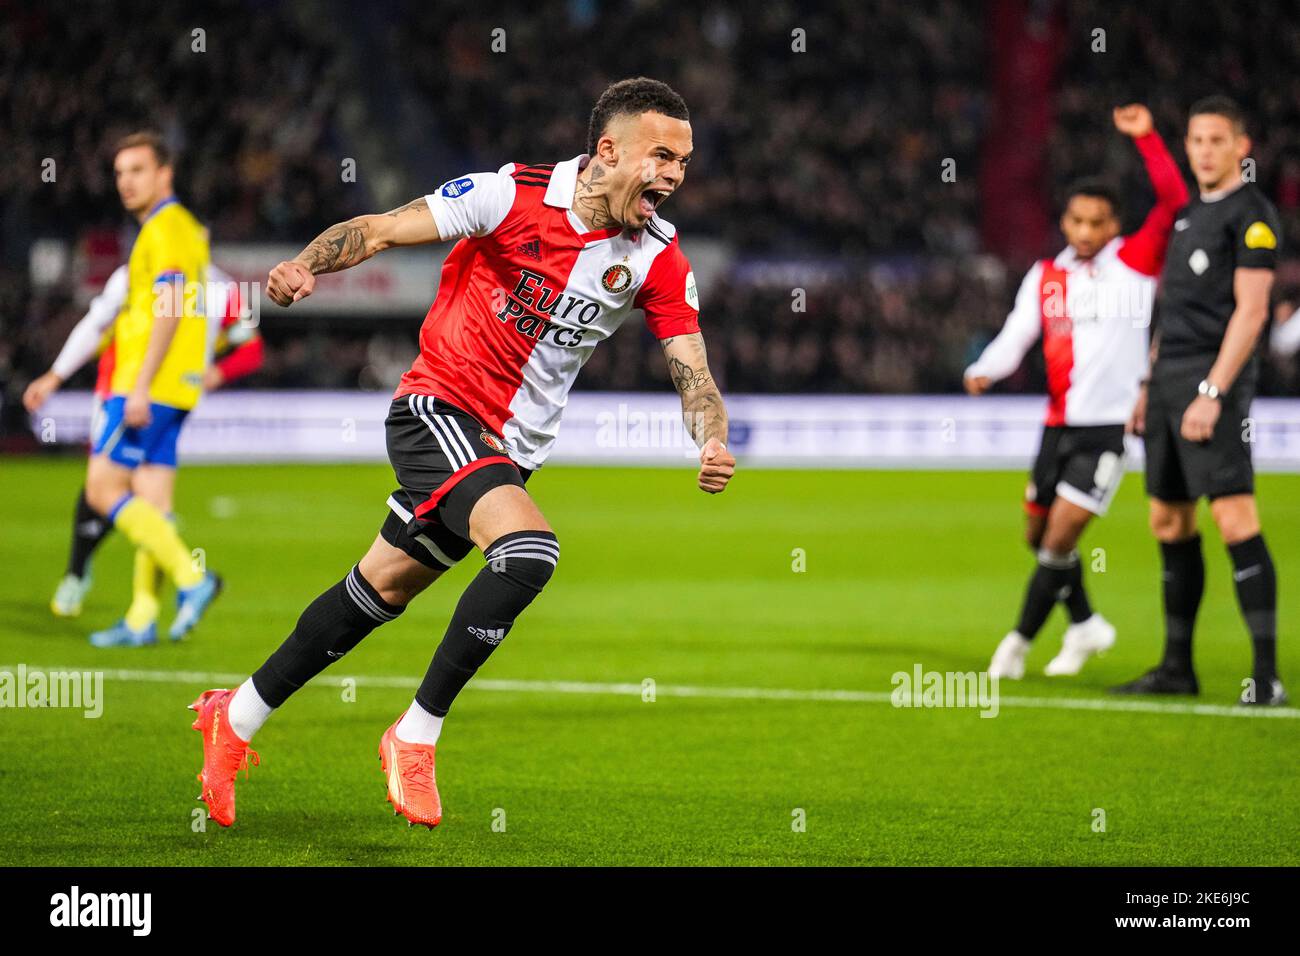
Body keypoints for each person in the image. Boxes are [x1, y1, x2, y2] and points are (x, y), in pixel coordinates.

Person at [189, 77, 737, 828]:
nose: (675, 175)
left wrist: (711, 437)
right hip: (437, 409)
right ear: (608, 151)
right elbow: (379, 229)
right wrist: (306, 264)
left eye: (684, 161)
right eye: (662, 156)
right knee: (528, 552)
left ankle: (237, 716)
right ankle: (414, 735)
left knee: (380, 589)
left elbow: (692, 369)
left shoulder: (658, 259)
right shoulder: (506, 196)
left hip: (507, 451)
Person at [965, 105, 1187, 679]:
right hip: (1056, 427)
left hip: (1108, 429)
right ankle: (1086, 625)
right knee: (1039, 536)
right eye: (1077, 221)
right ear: (1065, 223)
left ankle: (1015, 646)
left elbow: (1172, 203)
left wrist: (1147, 140)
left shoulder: (1135, 265)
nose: (1086, 232)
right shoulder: (1045, 276)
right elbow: (1017, 335)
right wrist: (986, 369)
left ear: (1114, 226)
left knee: (1060, 535)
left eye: (1097, 223)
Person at [1116, 96, 1286, 706]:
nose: (1205, 151)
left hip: (1215, 382)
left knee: (1233, 517)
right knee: (1169, 520)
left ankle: (1264, 676)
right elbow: (1170, 313)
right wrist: (1146, 384)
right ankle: (1176, 667)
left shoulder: (1253, 216)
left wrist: (1212, 392)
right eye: (1195, 140)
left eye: (1217, 140)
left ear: (1242, 147)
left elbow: (1253, 311)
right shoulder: (1187, 217)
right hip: (1166, 384)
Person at [25, 263, 262, 621]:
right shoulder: (141, 274)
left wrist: (215, 373)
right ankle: (140, 612)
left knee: (105, 489)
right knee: (146, 500)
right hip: (131, 393)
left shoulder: (218, 286)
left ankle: (181, 581)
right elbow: (98, 327)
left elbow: (252, 347)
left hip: (144, 397)